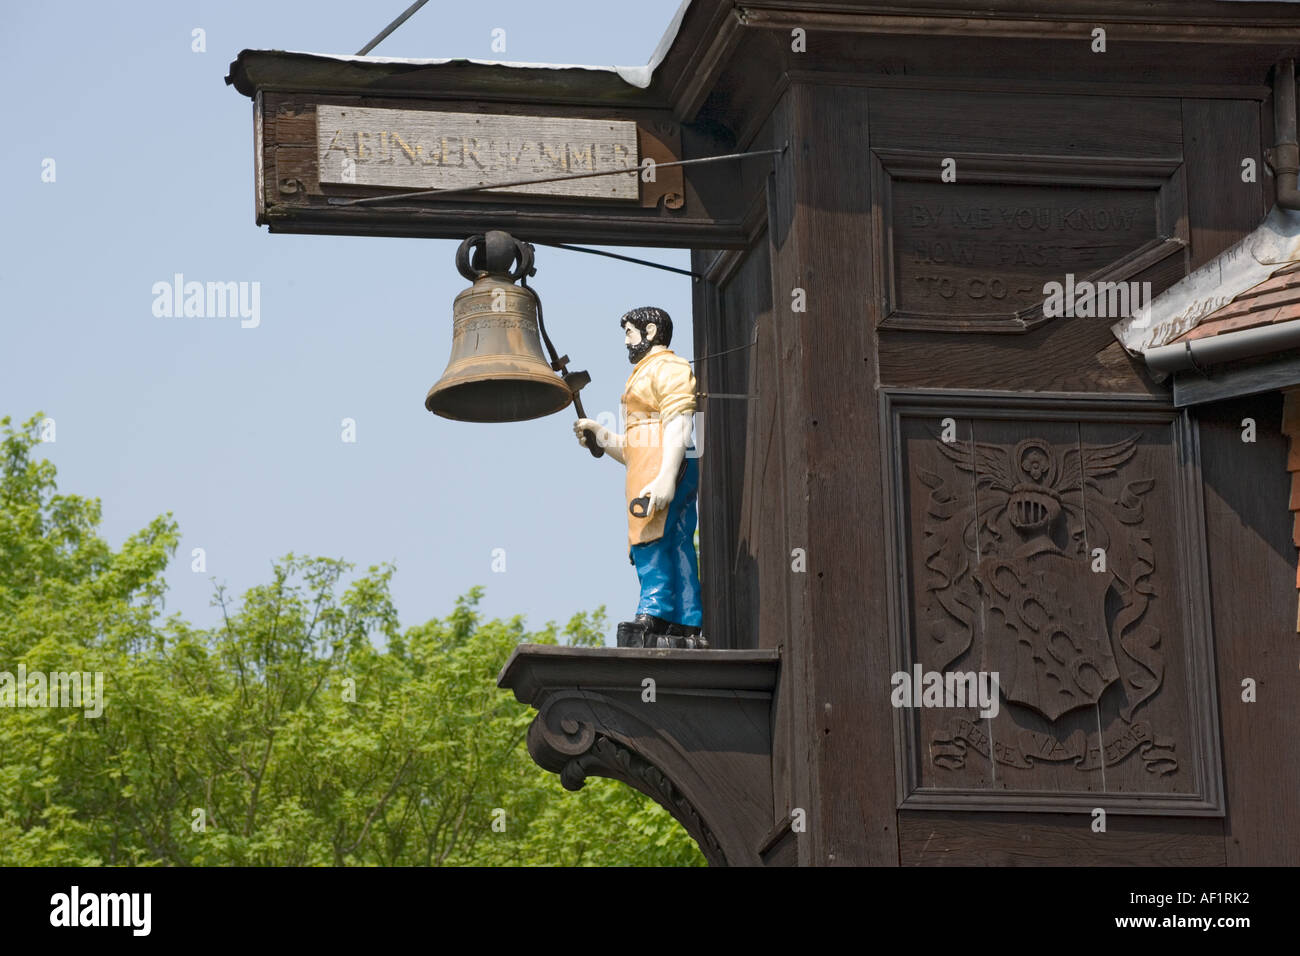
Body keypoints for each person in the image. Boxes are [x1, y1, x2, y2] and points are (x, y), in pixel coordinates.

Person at [573, 306, 707, 648]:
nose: (626, 341)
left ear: (649, 331)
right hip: (654, 461)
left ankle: (654, 611)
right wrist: (602, 436)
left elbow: (680, 422)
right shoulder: (646, 371)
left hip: (666, 462)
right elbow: (634, 447)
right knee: (674, 540)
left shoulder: (667, 367)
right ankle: (685, 620)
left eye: (630, 333)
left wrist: (665, 475)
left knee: (649, 537)